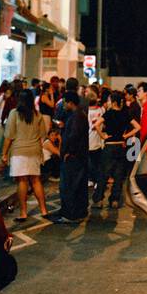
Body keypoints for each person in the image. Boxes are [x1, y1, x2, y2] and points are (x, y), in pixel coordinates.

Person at [1, 88, 49, 223]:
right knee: (36, 180)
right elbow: (42, 136)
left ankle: (23, 212)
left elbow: (9, 136)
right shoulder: (38, 115)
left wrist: (4, 153)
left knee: (22, 181)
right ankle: (44, 210)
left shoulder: (14, 114)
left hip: (18, 152)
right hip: (34, 151)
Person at [94, 89, 139, 208]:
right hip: (120, 146)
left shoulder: (108, 114)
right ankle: (114, 200)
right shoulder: (125, 114)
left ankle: (99, 200)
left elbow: (96, 125)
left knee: (104, 173)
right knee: (119, 175)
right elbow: (137, 127)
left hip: (109, 146)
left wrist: (102, 135)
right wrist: (125, 136)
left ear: (113, 102)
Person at [51, 90, 89, 223]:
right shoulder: (77, 115)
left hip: (74, 158)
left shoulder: (77, 117)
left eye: (65, 102)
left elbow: (74, 137)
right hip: (77, 157)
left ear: (70, 103)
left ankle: (70, 214)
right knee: (76, 186)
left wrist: (68, 152)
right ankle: (75, 212)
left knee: (70, 186)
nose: (63, 105)